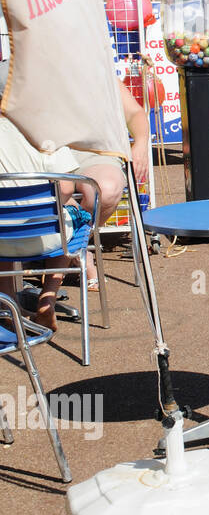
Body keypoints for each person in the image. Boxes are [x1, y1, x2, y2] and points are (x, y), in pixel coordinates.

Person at [0, 80, 150, 329]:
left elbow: (134, 112)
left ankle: (11, 306)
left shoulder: (92, 65)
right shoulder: (31, 66)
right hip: (45, 144)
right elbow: (65, 188)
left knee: (100, 194)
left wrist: (141, 142)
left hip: (86, 150)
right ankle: (56, 277)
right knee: (65, 217)